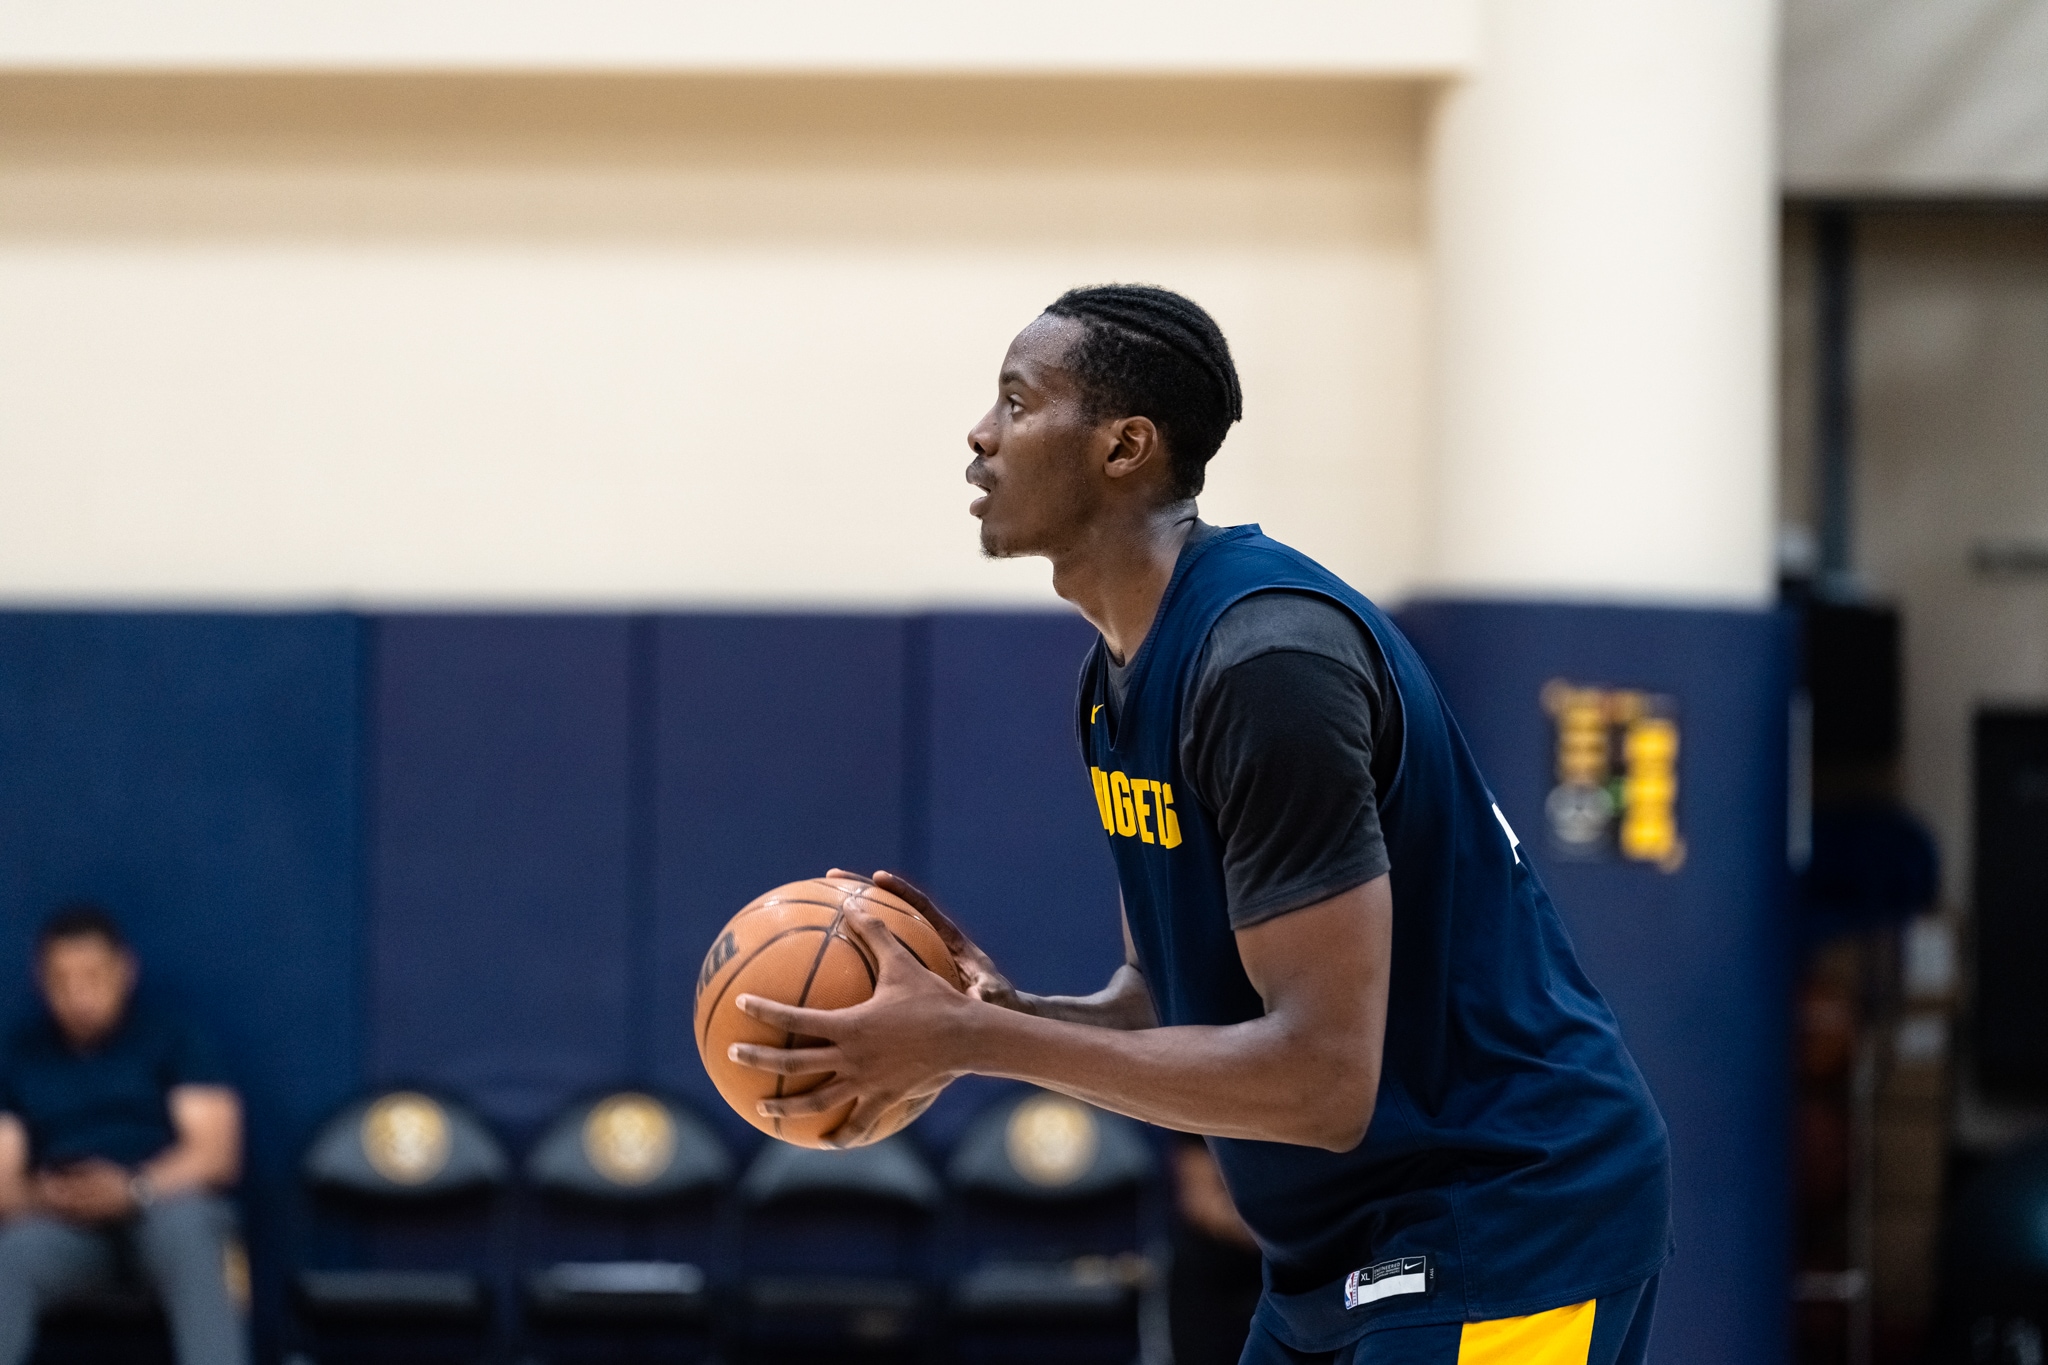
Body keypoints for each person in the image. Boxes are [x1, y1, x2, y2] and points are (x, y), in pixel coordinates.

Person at [729, 285, 1672, 1364]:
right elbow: (1158, 1007)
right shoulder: (1117, 679)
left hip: (1502, 1216)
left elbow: (1319, 1081)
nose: (979, 434)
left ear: (1123, 447)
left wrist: (978, 1040)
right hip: (1344, 1252)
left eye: (1015, 401)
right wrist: (1001, 1014)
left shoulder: (1266, 663)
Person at [0, 905, 248, 1365]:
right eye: (61, 981)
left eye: (93, 978)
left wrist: (134, 1189)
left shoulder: (172, 1037)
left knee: (195, 1231)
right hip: (66, 1228)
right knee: (10, 1255)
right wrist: (45, 1198)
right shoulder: (20, 1052)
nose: (78, 996)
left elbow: (218, 1154)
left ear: (125, 970)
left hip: (161, 1209)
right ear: (41, 980)